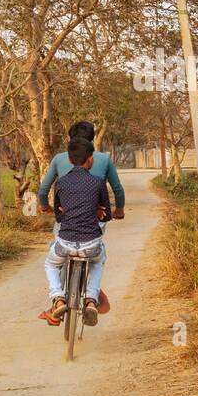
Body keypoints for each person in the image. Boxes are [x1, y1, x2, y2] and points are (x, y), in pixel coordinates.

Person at [41, 137, 110, 326]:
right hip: (91, 245)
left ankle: (58, 299)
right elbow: (107, 215)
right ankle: (90, 300)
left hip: (65, 243)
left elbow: (59, 216)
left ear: (70, 160)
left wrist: (69, 211)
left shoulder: (61, 183)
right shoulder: (97, 183)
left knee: (51, 264)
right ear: (90, 159)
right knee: (98, 263)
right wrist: (95, 212)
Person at [37, 121, 126, 230]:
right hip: (96, 218)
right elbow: (117, 189)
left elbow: (43, 190)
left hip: (66, 217)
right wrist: (119, 210)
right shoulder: (104, 159)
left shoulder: (58, 159)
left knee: (58, 241)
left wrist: (45, 206)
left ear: (71, 139)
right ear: (92, 139)